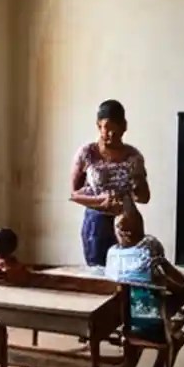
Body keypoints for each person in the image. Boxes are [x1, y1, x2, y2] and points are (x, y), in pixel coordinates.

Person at [104, 205, 184, 367]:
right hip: (150, 326)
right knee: (175, 335)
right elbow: (179, 284)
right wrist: (164, 265)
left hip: (118, 324)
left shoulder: (112, 254)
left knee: (133, 325)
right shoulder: (150, 250)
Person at [70, 100, 150, 267]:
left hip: (127, 221)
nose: (111, 133)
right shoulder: (88, 153)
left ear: (124, 127)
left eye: (116, 128)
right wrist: (101, 201)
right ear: (99, 126)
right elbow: (74, 194)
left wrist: (136, 185)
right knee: (100, 275)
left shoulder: (133, 156)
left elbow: (144, 197)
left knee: (128, 275)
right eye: (106, 127)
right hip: (96, 224)